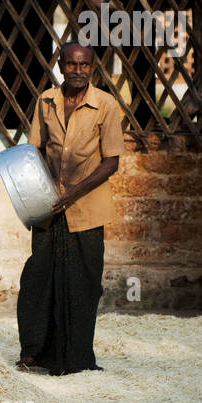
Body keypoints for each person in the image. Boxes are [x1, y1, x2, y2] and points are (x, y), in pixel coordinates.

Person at [17, 42, 123, 375]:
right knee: (39, 276)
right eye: (72, 65)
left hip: (87, 209)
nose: (78, 71)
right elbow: (34, 150)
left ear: (94, 68)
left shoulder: (105, 105)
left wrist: (75, 191)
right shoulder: (46, 101)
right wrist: (33, 194)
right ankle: (34, 352)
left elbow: (112, 162)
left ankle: (76, 358)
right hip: (48, 208)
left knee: (84, 282)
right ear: (61, 65)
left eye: (85, 65)